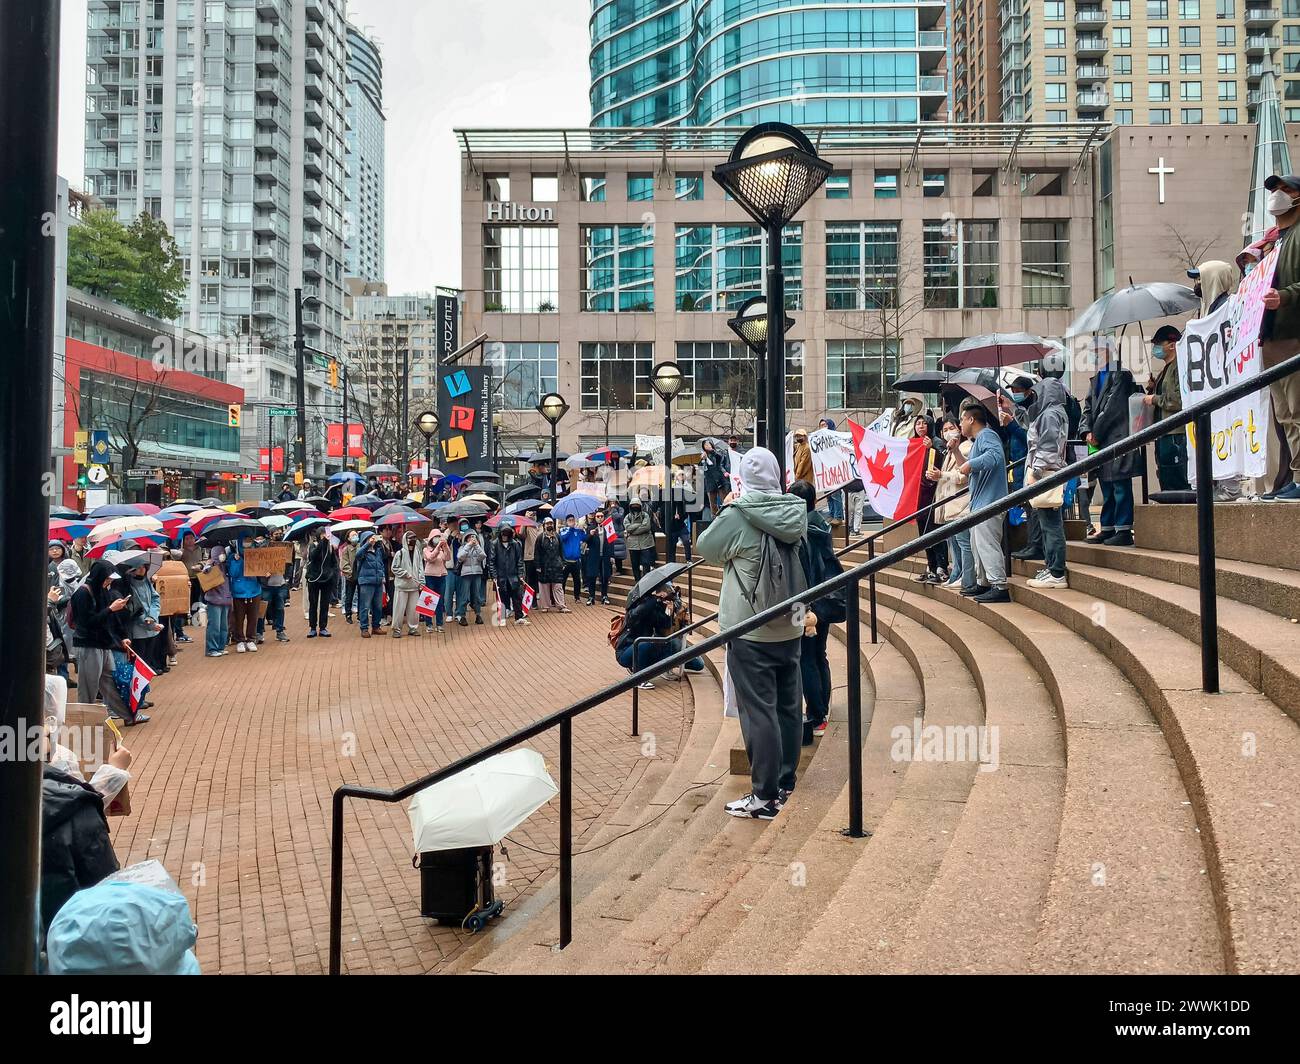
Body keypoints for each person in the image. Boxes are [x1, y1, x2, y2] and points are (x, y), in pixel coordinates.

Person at [698, 447, 807, 821]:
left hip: (751, 628)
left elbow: (706, 548)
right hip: (790, 623)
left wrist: (727, 506)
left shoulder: (738, 513)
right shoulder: (795, 510)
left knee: (759, 712)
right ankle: (786, 781)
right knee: (789, 707)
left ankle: (764, 795)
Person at [1256, 174, 1300, 501]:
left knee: (1297, 412)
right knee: (1284, 416)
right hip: (1271, 342)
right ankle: (1294, 476)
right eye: (1274, 190)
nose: (1278, 196)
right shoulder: (1277, 241)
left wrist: (1283, 296)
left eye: (1286, 190)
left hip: (1293, 338)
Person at [787, 480, 837, 744]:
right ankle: (822, 708)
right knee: (819, 654)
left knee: (805, 657)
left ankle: (816, 715)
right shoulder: (821, 522)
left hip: (802, 600)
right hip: (824, 597)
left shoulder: (799, 529)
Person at [1081, 337, 1142, 545]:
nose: (1094, 354)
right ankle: (1107, 527)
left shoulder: (1121, 375)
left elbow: (1112, 408)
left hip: (1117, 436)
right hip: (1100, 440)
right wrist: (1086, 431)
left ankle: (1123, 529)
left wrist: (1095, 432)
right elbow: (1088, 407)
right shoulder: (1095, 378)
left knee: (1119, 484)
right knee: (1105, 484)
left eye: (1097, 350)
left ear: (1109, 352)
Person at [951, 403, 1010, 603]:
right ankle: (984, 582)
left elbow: (995, 457)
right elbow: (964, 470)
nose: (959, 424)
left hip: (990, 501)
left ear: (971, 419)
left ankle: (999, 585)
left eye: (961, 420)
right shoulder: (978, 440)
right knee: (978, 545)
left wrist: (970, 463)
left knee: (987, 544)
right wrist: (956, 452)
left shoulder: (987, 435)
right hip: (980, 503)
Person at [69, 560, 140, 723]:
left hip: (103, 644)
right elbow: (86, 623)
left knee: (109, 683)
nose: (109, 582)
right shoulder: (82, 593)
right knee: (88, 687)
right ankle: (84, 722)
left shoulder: (103, 591)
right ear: (99, 576)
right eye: (107, 578)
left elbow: (111, 618)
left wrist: (122, 636)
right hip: (88, 645)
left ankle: (128, 716)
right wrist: (110, 609)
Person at [1024, 377, 1072, 590]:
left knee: (1051, 524)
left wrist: (1036, 471)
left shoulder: (1051, 414)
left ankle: (1056, 572)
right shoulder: (1054, 413)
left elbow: (1048, 445)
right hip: (1048, 472)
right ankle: (1052, 567)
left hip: (1046, 474)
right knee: (1048, 523)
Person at [614, 581, 703, 689]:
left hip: (650, 647)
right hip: (626, 651)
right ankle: (639, 679)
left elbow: (664, 627)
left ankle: (640, 666)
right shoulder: (640, 604)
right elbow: (634, 617)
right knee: (645, 643)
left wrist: (668, 612)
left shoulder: (660, 606)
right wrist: (654, 600)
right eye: (664, 596)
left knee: (696, 662)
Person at [1145, 324, 1191, 492]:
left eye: (1159, 343)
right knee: (1165, 477)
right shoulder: (1166, 369)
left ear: (1172, 345)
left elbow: (1179, 400)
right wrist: (1153, 386)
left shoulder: (1180, 366)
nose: (1156, 348)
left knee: (1177, 479)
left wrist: (1154, 398)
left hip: (1176, 434)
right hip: (1164, 432)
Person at [932, 416, 973, 591]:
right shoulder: (949, 451)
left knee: (963, 542)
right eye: (945, 429)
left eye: (952, 427)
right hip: (949, 504)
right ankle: (957, 572)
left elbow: (963, 476)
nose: (948, 432)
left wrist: (941, 475)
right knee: (953, 542)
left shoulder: (966, 447)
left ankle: (966, 576)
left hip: (960, 503)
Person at [907, 413, 949, 584]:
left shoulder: (936, 442)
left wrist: (931, 448)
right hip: (919, 496)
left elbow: (943, 462)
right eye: (918, 424)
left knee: (935, 532)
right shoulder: (913, 444)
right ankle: (931, 566)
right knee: (923, 534)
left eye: (925, 423)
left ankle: (941, 567)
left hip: (933, 495)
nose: (921, 426)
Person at [257, 529, 292, 644]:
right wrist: (263, 572)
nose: (279, 535)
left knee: (280, 608)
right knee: (262, 609)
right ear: (271, 536)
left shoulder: (285, 546)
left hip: (280, 583)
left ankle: (279, 631)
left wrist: (287, 578)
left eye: (280, 533)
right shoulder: (264, 547)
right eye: (276, 534)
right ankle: (259, 633)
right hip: (267, 584)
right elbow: (259, 563)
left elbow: (289, 563)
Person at [490, 522, 529, 625]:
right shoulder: (495, 544)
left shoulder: (515, 544)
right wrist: (494, 576)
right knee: (501, 598)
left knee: (517, 597)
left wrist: (520, 574)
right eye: (503, 534)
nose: (504, 536)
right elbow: (492, 562)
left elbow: (519, 560)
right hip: (500, 576)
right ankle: (501, 618)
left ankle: (518, 617)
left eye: (507, 534)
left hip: (513, 576)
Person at [389, 529, 425, 637]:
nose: (412, 540)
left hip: (414, 586)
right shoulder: (400, 553)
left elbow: (420, 568)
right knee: (399, 609)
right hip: (402, 586)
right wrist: (404, 573)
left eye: (414, 538)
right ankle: (396, 629)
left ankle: (413, 628)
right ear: (406, 540)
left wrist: (422, 581)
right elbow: (394, 568)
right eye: (410, 538)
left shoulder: (417, 553)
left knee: (414, 609)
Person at [304, 526, 339, 637]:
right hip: (314, 578)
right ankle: (313, 627)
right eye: (324, 535)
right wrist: (322, 543)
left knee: (324, 604)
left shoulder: (330, 548)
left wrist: (332, 574)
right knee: (313, 603)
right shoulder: (313, 545)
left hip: (326, 579)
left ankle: (323, 627)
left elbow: (334, 562)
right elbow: (313, 557)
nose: (326, 537)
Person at [353, 530, 388, 638]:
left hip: (378, 581)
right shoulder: (362, 551)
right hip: (366, 582)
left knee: (378, 606)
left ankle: (376, 626)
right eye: (370, 538)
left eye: (374, 537)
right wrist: (368, 544)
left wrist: (382, 576)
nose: (373, 539)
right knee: (365, 606)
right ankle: (364, 628)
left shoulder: (378, 550)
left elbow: (381, 563)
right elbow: (358, 555)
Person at [200, 548, 232, 659]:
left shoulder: (225, 566)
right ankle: (211, 649)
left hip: (226, 599)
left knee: (224, 626)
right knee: (214, 626)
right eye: (220, 553)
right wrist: (208, 565)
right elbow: (205, 572)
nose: (222, 555)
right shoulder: (210, 566)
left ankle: (220, 647)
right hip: (214, 600)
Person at [534, 517, 570, 612]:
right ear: (544, 525)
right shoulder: (540, 537)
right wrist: (537, 566)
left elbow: (561, 550)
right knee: (544, 587)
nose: (549, 525)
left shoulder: (558, 537)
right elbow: (537, 553)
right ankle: (545, 606)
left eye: (551, 523)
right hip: (544, 566)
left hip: (556, 565)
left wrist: (563, 562)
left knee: (558, 586)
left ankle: (561, 606)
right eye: (547, 524)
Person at [422, 528, 452, 633]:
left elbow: (448, 558)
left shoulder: (442, 549)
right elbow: (430, 558)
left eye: (439, 537)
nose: (437, 539)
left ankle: (439, 624)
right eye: (435, 537)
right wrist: (438, 548)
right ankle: (429, 624)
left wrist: (446, 546)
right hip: (430, 576)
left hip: (441, 576)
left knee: (440, 601)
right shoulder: (426, 549)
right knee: (429, 601)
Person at [455, 529, 488, 626]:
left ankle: (478, 615)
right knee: (464, 596)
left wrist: (476, 546)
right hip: (466, 574)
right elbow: (460, 557)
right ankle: (462, 616)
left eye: (473, 537)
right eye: (470, 537)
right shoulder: (463, 547)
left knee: (477, 595)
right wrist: (468, 546)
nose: (472, 539)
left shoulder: (478, 547)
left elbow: (483, 556)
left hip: (477, 573)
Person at [581, 513, 611, 606]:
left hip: (605, 556)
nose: (600, 518)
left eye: (601, 516)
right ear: (595, 518)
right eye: (598, 516)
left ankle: (604, 596)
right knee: (592, 576)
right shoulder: (591, 528)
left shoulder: (608, 527)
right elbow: (585, 540)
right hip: (594, 556)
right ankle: (591, 597)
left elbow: (612, 541)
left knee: (605, 577)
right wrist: (590, 535)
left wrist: (612, 555)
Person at [623, 497, 656, 581]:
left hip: (646, 544)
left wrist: (632, 529)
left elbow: (646, 527)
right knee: (635, 565)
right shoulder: (627, 517)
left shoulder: (645, 515)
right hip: (633, 545)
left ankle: (646, 582)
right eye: (633, 505)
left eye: (637, 505)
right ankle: (637, 582)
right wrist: (639, 525)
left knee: (646, 564)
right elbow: (627, 527)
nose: (635, 506)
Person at [559, 514, 585, 603]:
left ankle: (577, 597)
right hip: (566, 561)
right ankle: (561, 598)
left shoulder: (577, 531)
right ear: (566, 522)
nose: (571, 521)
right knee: (563, 581)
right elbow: (562, 538)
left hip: (576, 561)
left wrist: (583, 531)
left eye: (573, 520)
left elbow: (584, 538)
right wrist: (570, 529)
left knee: (577, 580)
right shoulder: (563, 530)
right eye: (569, 520)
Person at [340, 530, 359, 624]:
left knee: (361, 596)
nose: (355, 536)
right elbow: (344, 564)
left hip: (360, 576)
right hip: (350, 577)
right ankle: (348, 614)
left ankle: (360, 615)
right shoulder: (346, 549)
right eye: (353, 535)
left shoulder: (361, 547)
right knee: (349, 596)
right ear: (348, 538)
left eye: (356, 534)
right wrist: (350, 573)